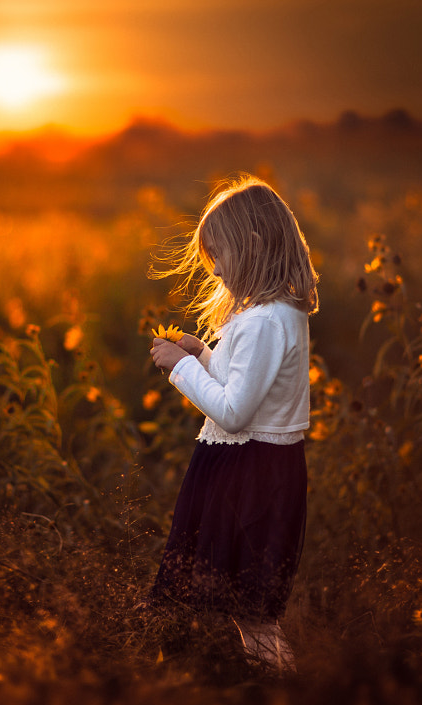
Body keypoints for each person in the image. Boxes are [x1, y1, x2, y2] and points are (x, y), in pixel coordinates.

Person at [147, 174, 318, 673]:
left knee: (253, 611)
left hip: (249, 476)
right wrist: (203, 353)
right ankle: (263, 686)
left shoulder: (264, 321)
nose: (216, 269)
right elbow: (245, 383)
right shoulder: (275, 313)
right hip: (252, 469)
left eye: (219, 255)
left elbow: (234, 412)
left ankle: (279, 692)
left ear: (254, 247)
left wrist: (181, 369)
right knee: (248, 609)